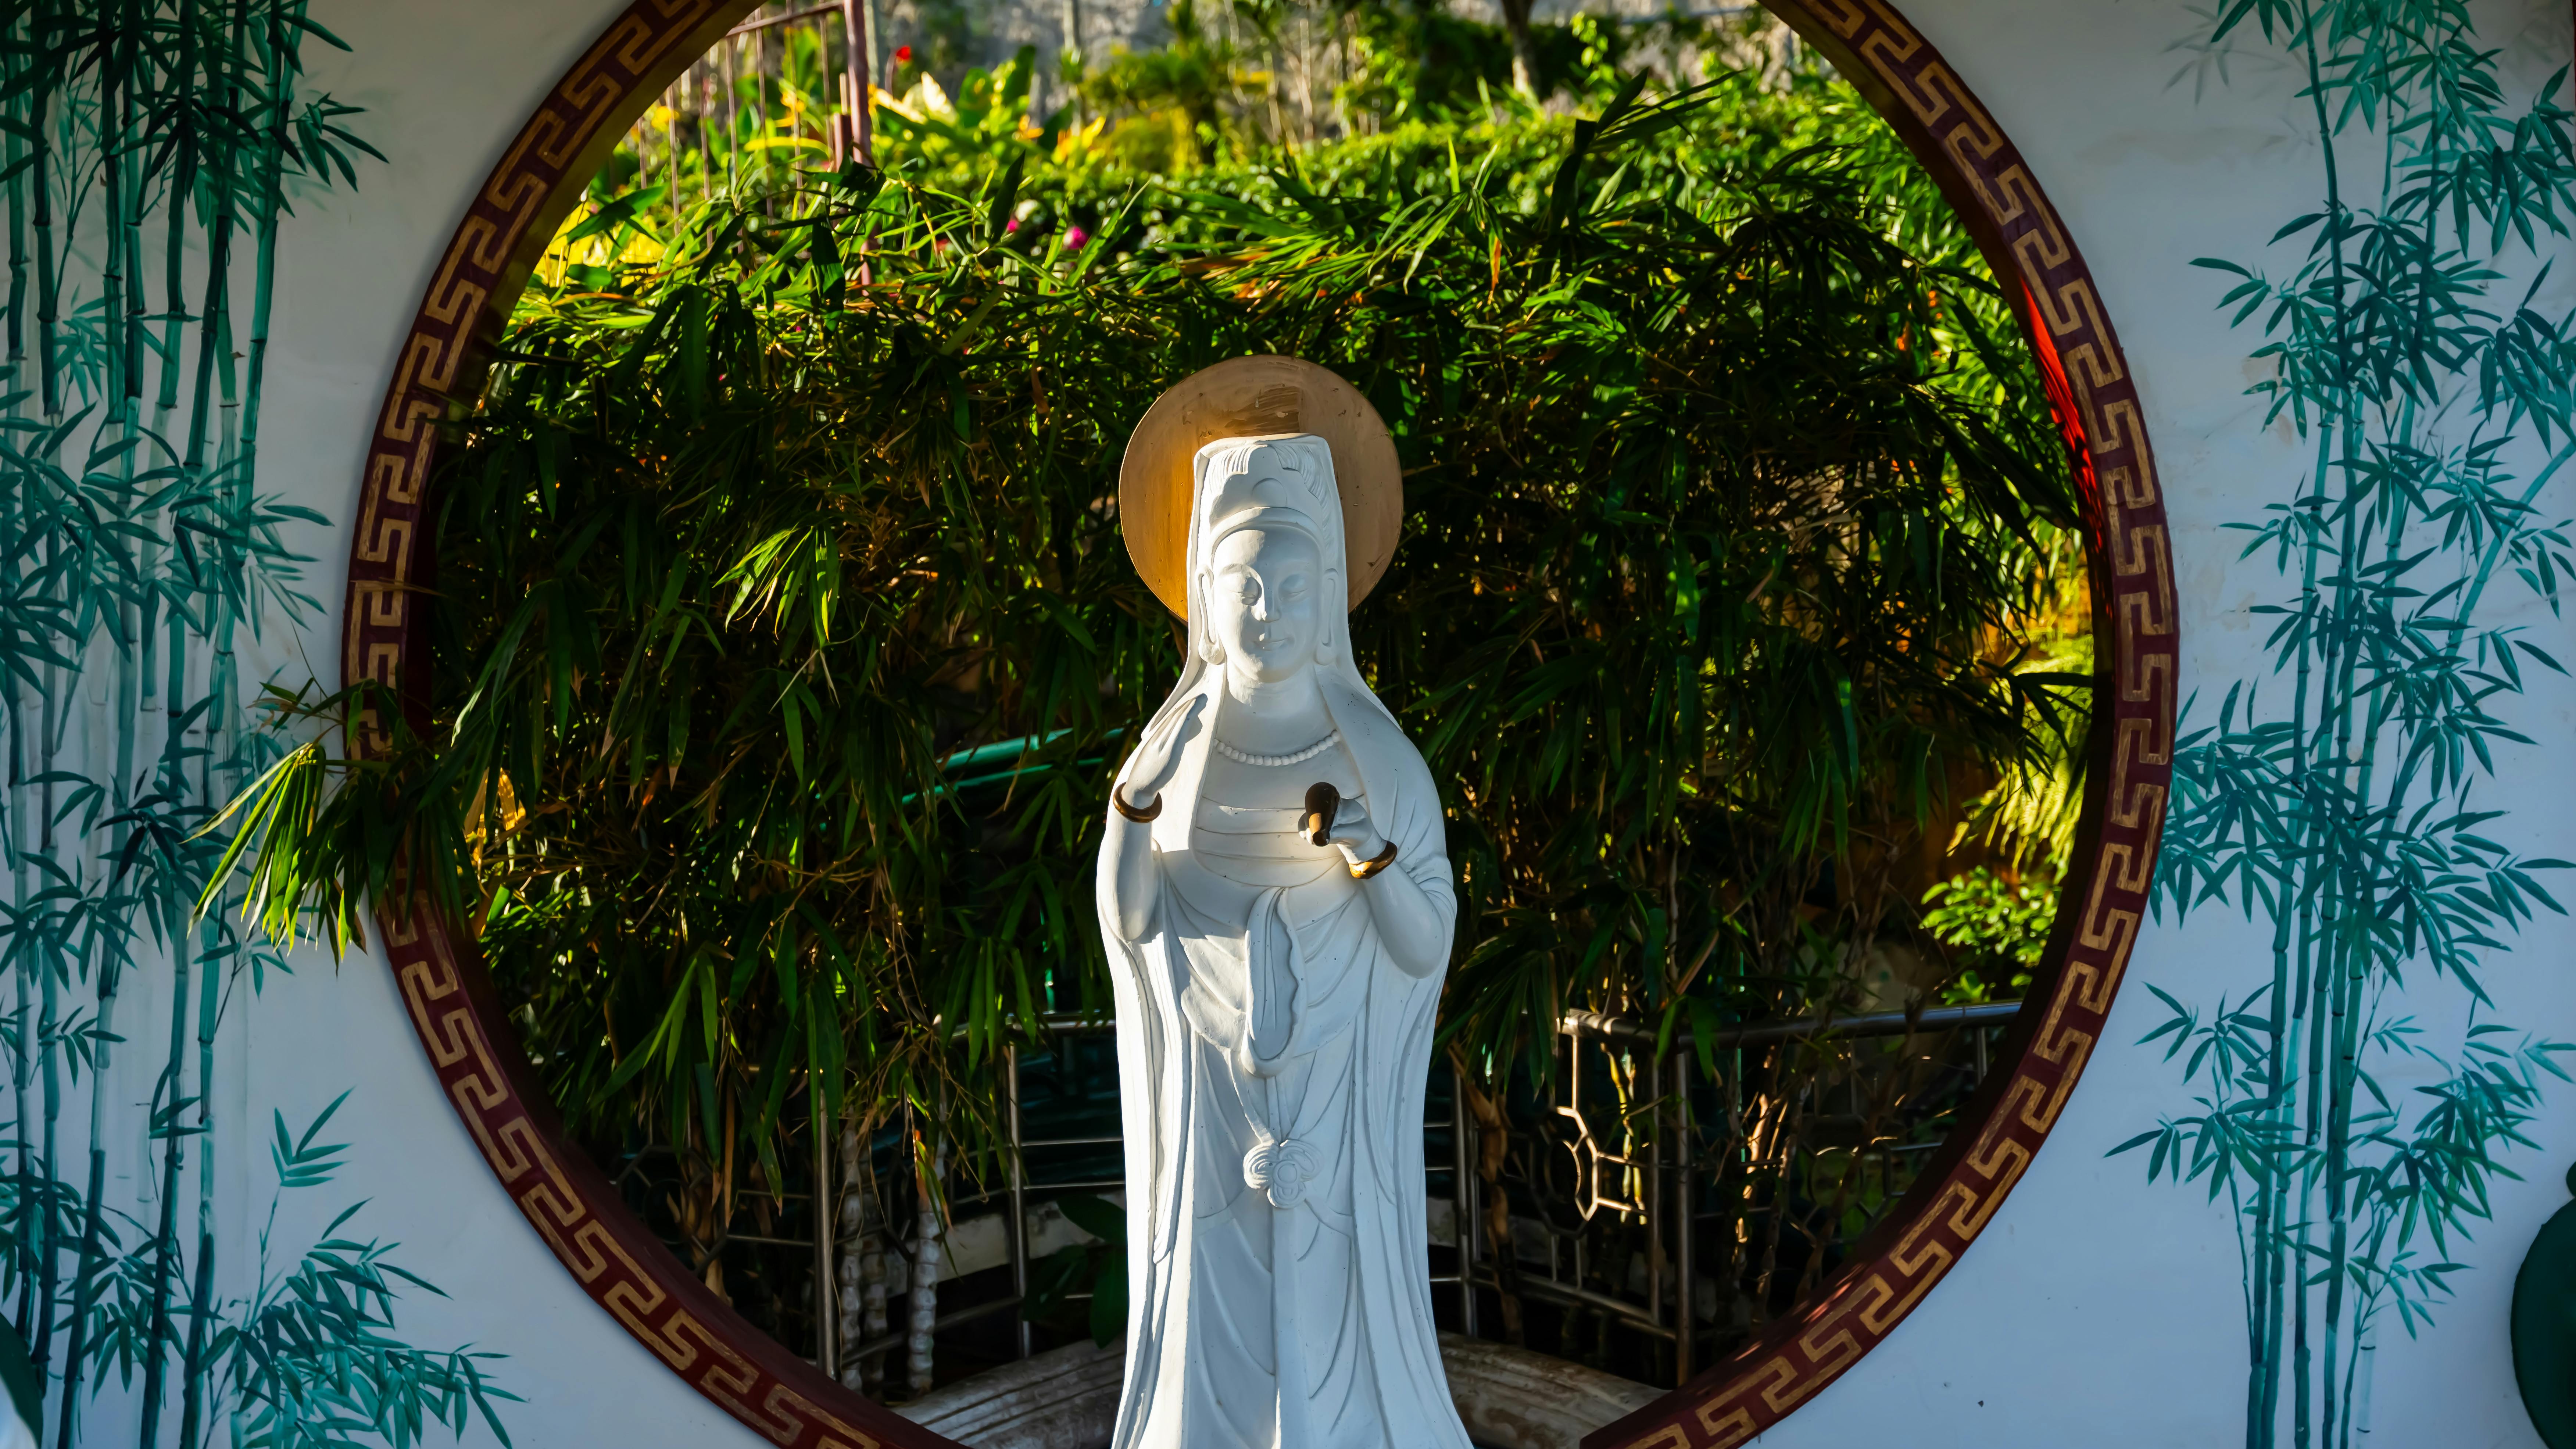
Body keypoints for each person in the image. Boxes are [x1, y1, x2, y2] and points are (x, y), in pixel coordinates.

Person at [1096, 433, 1470, 1449]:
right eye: (1245, 588)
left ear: (1331, 601)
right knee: (1211, 1317)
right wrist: (1133, 807)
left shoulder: (1383, 761)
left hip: (1339, 1104)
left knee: (1341, 1311)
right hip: (1212, 1108)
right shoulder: (1176, 751)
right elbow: (1134, 922)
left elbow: (1425, 942)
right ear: (1207, 598)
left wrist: (1372, 856)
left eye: (1294, 589)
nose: (1268, 612)